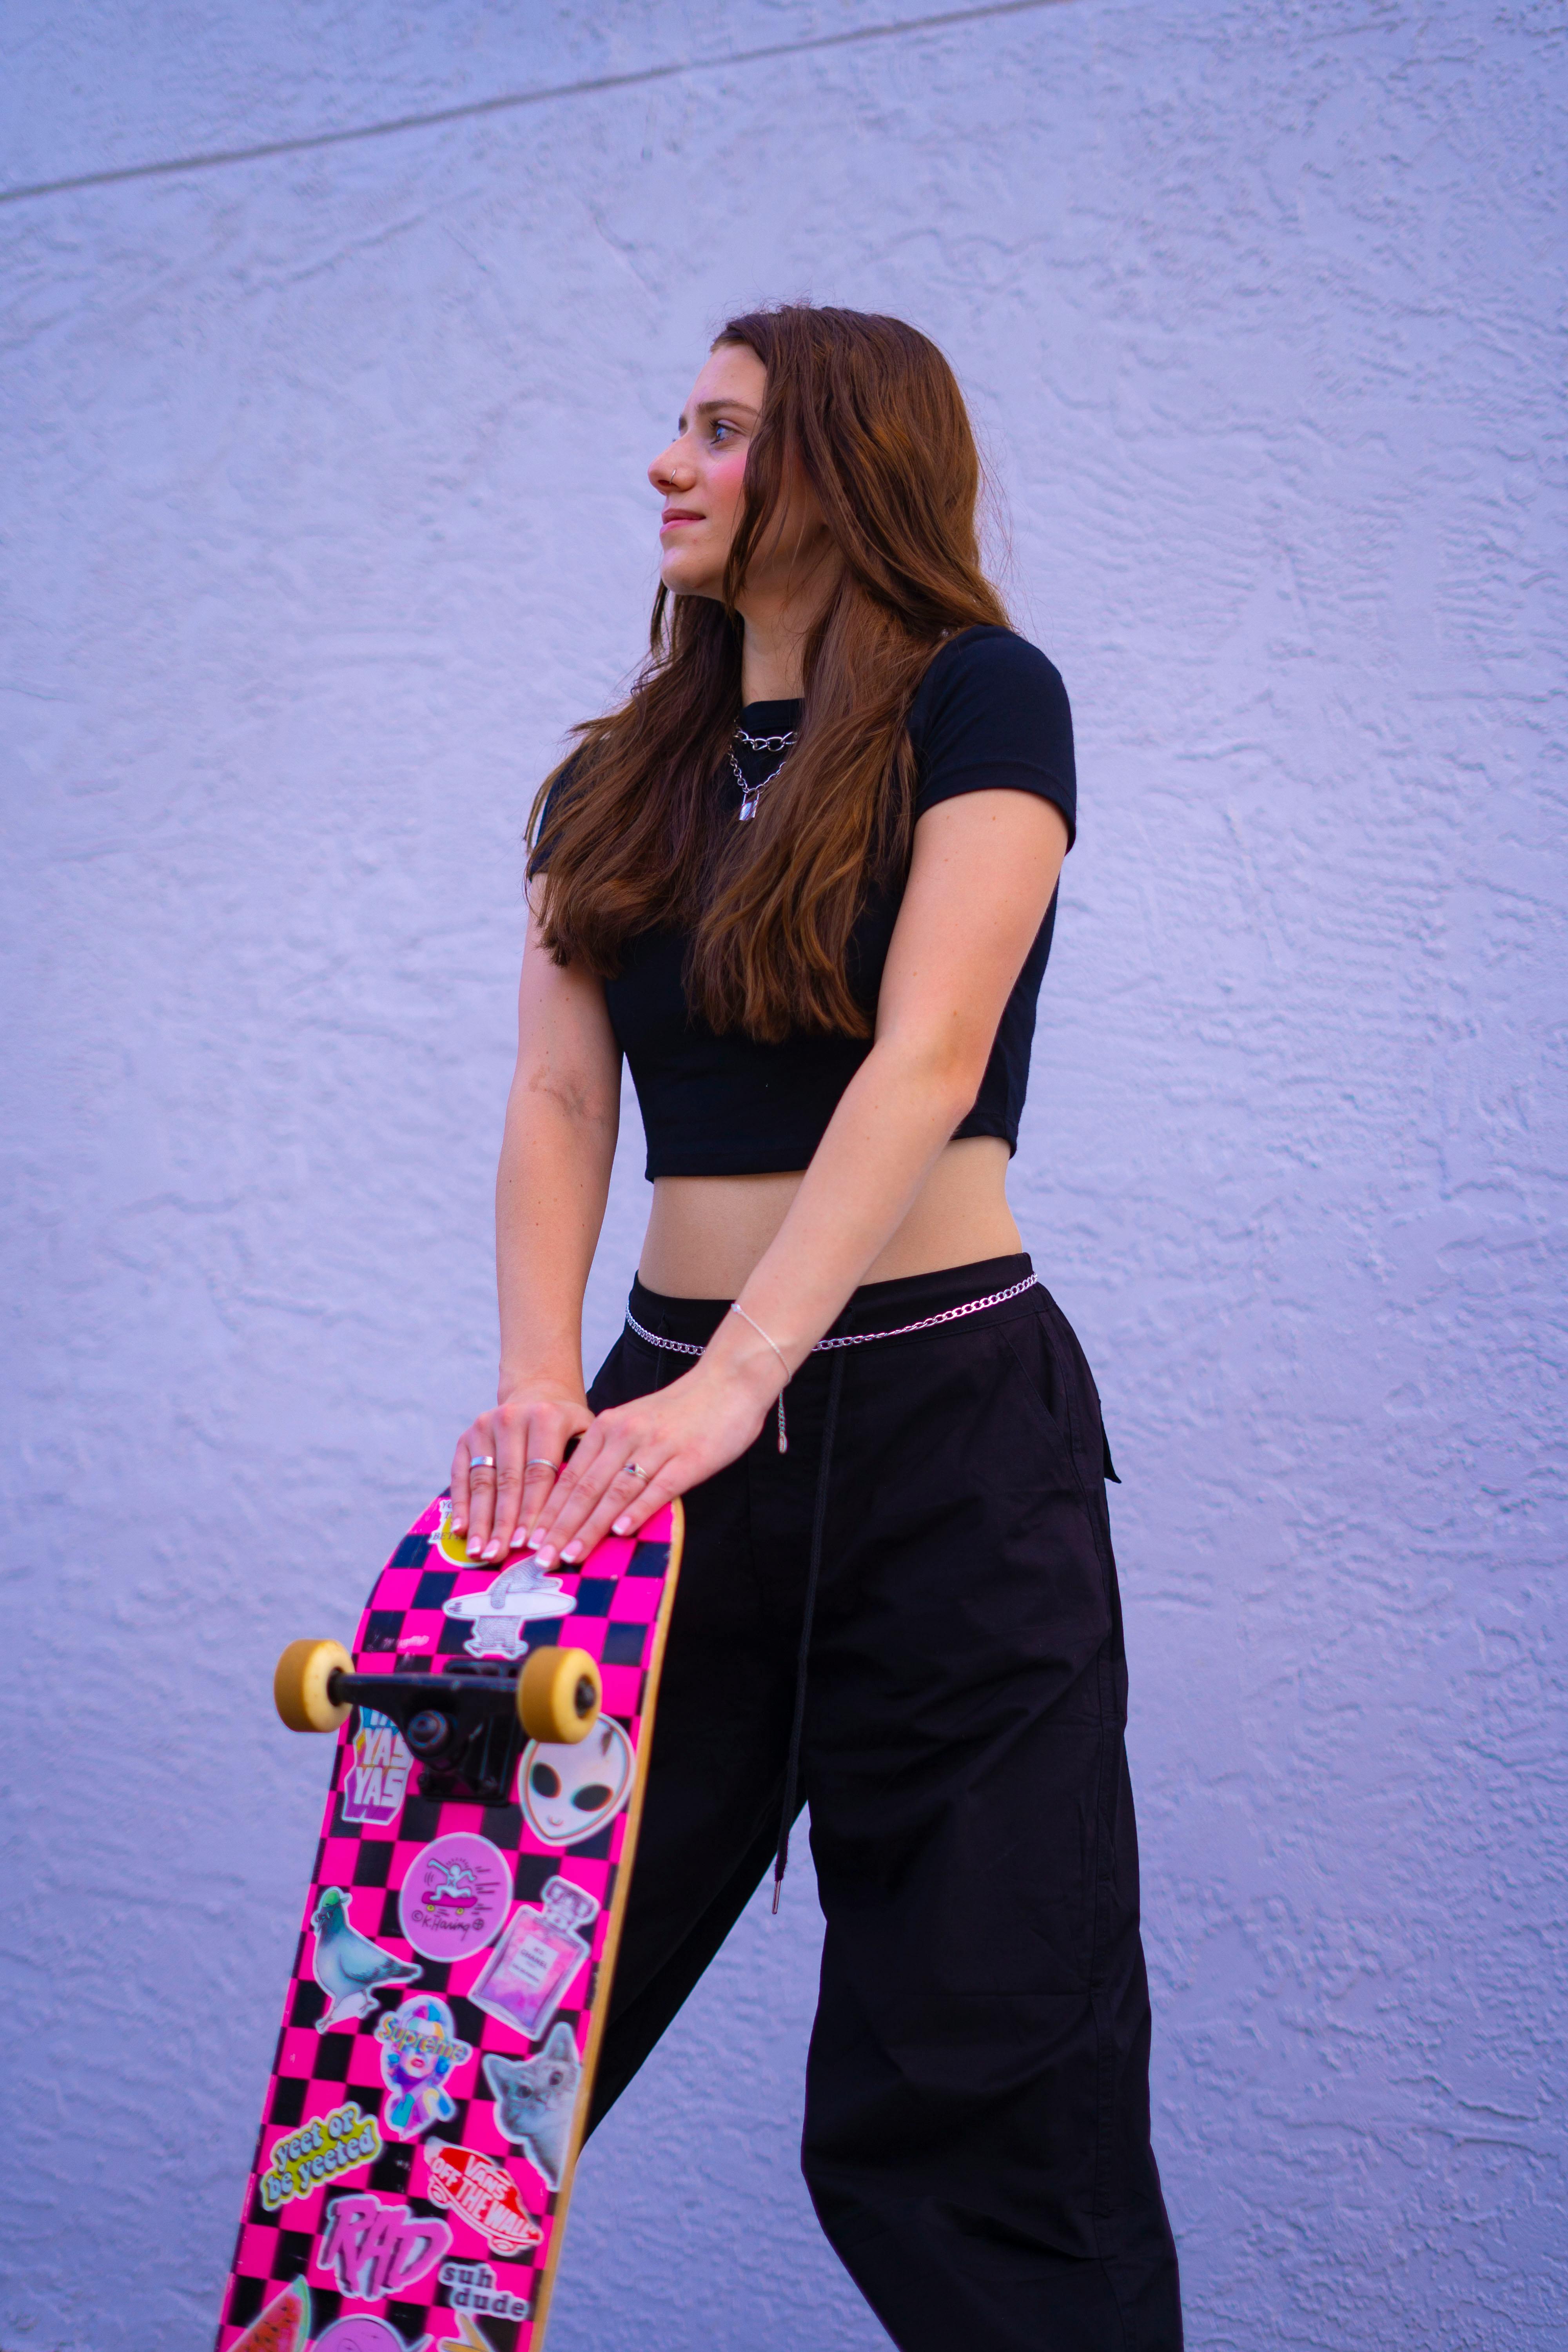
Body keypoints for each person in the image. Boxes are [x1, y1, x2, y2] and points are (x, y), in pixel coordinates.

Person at [449, 304, 1183, 2351]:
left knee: (985, 2076)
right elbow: (556, 1099)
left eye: (724, 432)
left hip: (947, 1431)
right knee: (465, 2011)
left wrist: (741, 1380)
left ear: (848, 463)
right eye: (675, 427)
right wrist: (543, 1381)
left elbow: (930, 1048)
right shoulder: (611, 778)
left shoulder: (984, 704)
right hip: (653, 1449)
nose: (670, 464)